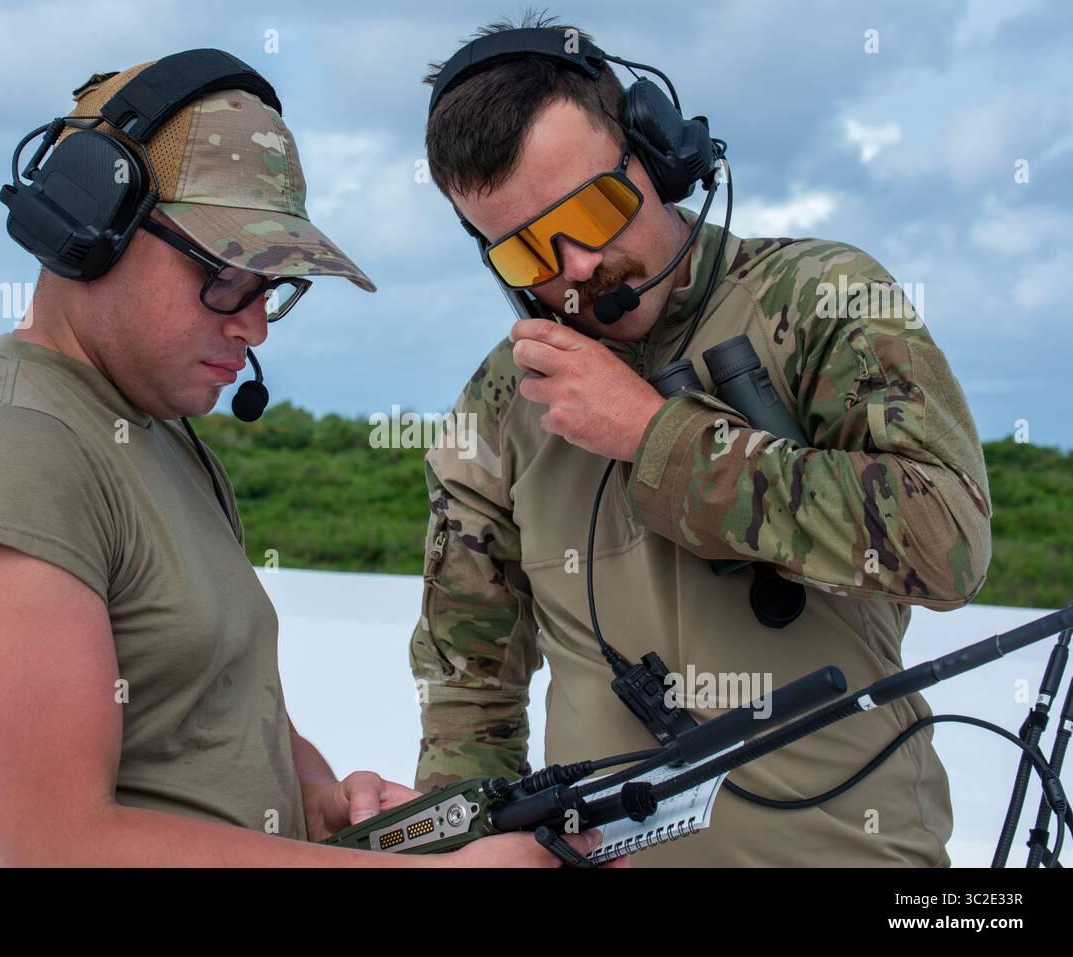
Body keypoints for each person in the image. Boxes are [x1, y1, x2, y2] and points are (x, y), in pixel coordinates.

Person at [0, 51, 590, 867]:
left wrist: (317, 798)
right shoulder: (11, 458)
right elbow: (63, 845)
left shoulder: (149, 427)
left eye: (274, 287)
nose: (254, 325)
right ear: (91, 227)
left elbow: (206, 706)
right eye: (226, 277)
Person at [410, 16, 993, 866]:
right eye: (526, 250)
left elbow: (949, 543)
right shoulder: (499, 405)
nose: (573, 265)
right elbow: (468, 687)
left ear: (657, 152)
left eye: (592, 209)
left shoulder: (822, 298)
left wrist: (658, 438)